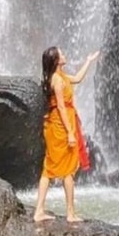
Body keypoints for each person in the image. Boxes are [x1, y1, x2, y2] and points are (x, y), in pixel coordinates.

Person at [32, 46, 100, 223]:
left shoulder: (60, 76)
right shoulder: (56, 79)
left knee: (50, 168)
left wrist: (88, 61)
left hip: (60, 122)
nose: (64, 54)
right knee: (68, 169)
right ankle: (70, 214)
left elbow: (77, 78)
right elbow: (61, 106)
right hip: (60, 126)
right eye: (61, 53)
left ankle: (40, 210)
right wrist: (70, 132)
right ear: (56, 60)